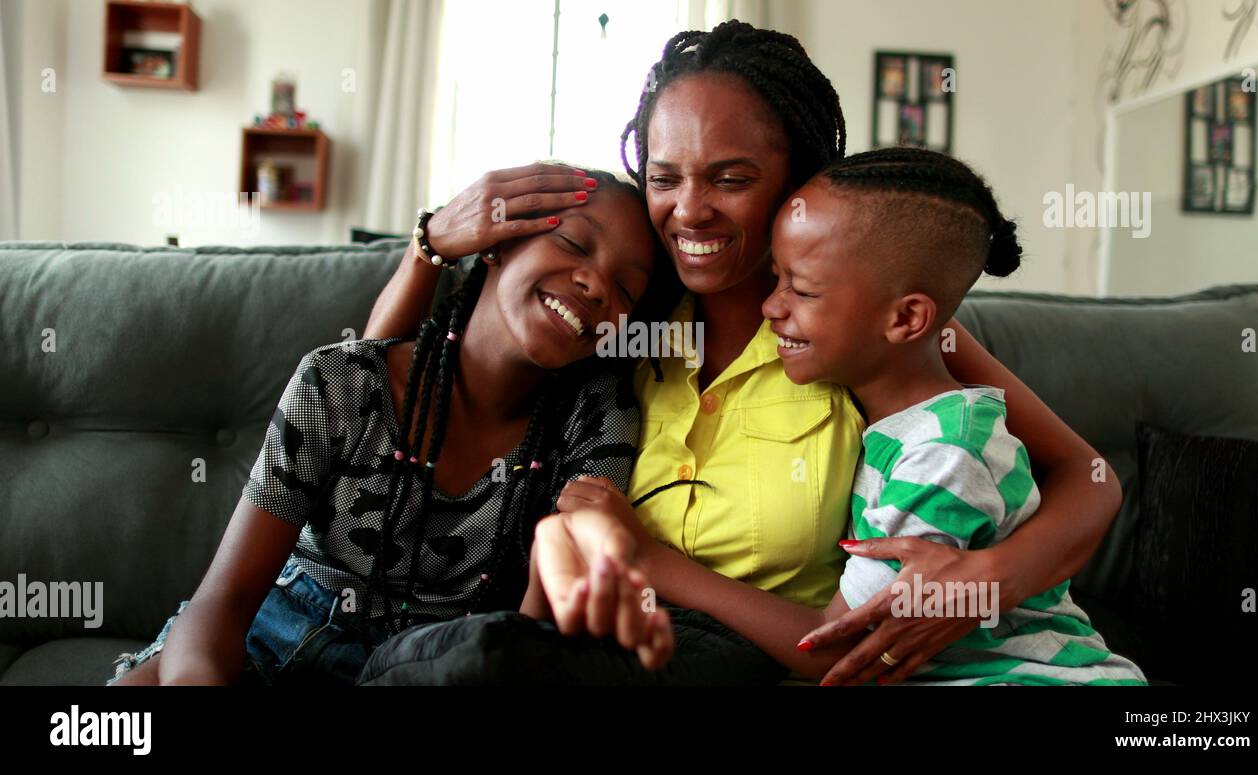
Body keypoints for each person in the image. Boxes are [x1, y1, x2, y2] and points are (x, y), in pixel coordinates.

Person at [358, 21, 1124, 687]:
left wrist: (984, 581)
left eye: (731, 177)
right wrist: (427, 248)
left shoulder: (857, 331)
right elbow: (373, 395)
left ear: (796, 184)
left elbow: (1090, 482)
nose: (689, 209)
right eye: (665, 177)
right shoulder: (624, 305)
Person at [109, 169, 673, 685]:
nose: (598, 286)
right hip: (276, 629)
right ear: (496, 244)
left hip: (429, 664)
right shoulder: (339, 381)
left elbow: (526, 639)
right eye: (575, 244)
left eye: (626, 288)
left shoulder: (596, 420)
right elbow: (224, 599)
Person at [755, 148, 1145, 684]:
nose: (770, 307)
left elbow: (835, 646)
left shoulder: (944, 453)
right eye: (774, 278)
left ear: (908, 317)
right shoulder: (906, 418)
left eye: (799, 289)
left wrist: (653, 564)